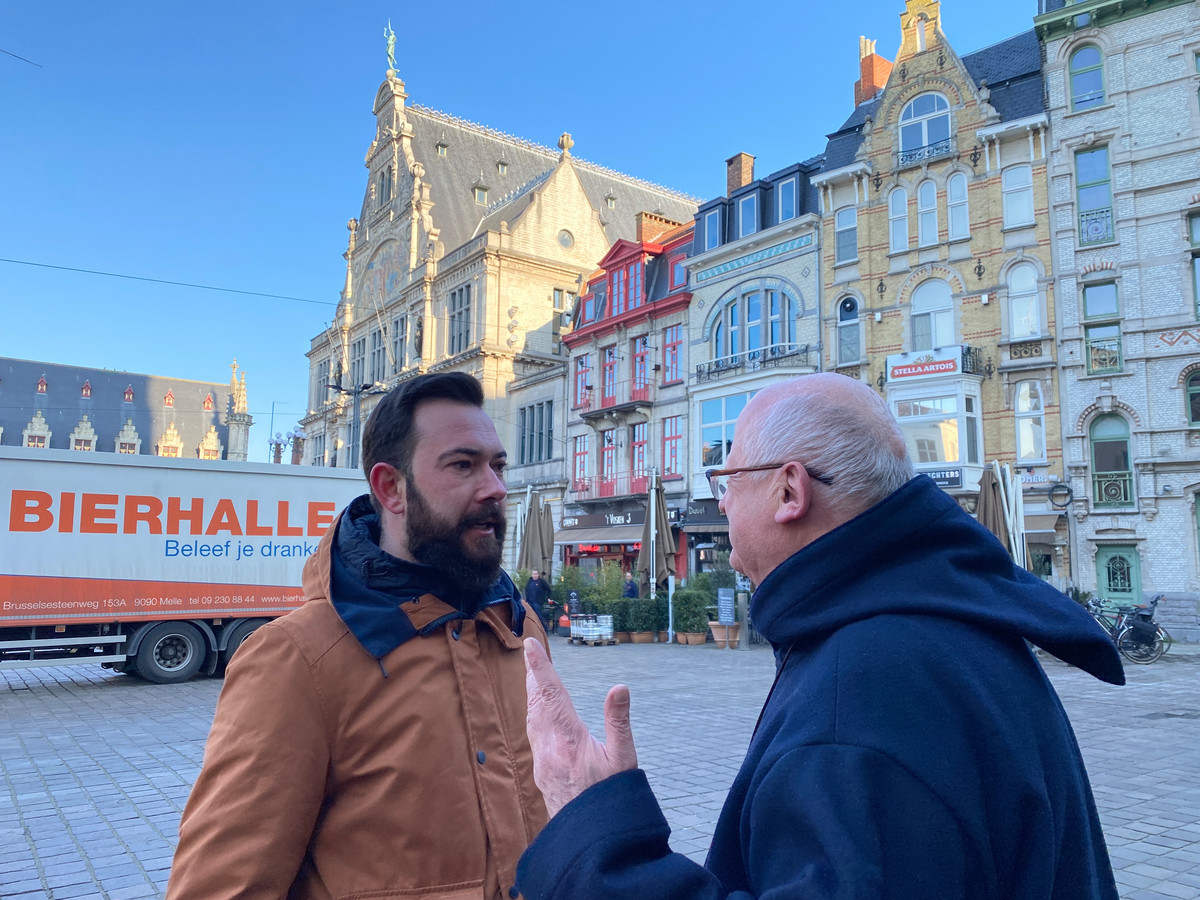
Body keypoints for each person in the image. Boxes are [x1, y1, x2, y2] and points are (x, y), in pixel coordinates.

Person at [516, 373, 1124, 900]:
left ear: (789, 490)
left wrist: (593, 836)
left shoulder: (865, 695)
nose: (720, 502)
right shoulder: (939, 622)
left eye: (727, 477)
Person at [167, 372, 548, 900]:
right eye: (464, 465)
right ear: (391, 488)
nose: (496, 488)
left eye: (498, 466)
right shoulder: (298, 659)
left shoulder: (516, 625)